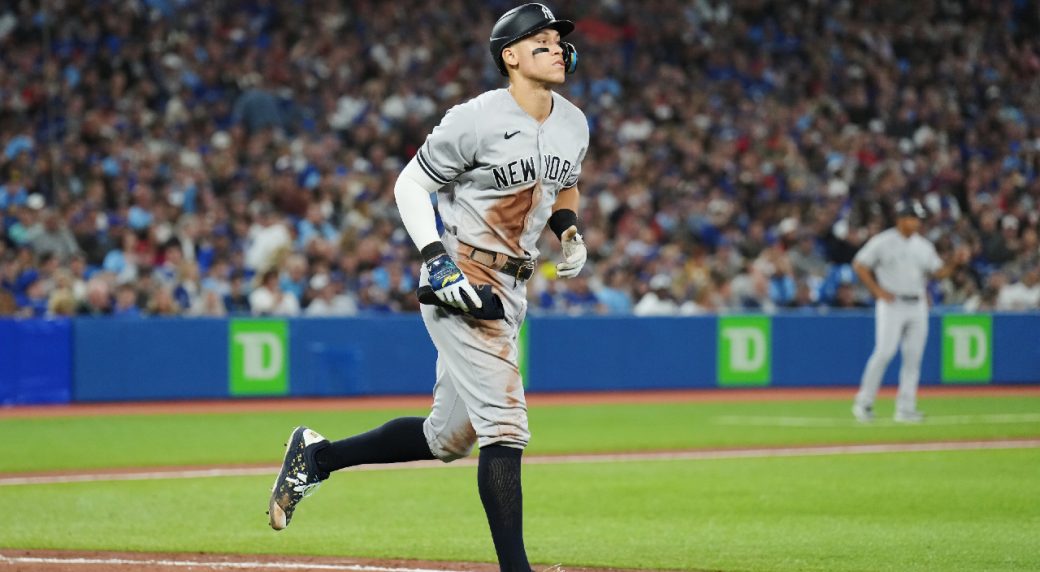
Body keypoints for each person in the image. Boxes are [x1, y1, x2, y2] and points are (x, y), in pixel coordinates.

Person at [267, 5, 588, 571]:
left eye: (558, 39)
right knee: (506, 425)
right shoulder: (475, 118)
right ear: (509, 55)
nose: (556, 47)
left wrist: (569, 232)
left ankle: (318, 458)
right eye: (540, 40)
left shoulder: (574, 123)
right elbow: (411, 183)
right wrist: (437, 260)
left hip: (513, 285)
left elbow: (564, 185)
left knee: (447, 439)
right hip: (464, 275)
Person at [851, 199, 968, 423]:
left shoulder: (923, 245)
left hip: (917, 304)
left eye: (917, 219)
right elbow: (860, 264)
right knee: (884, 352)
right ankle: (863, 402)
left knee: (913, 358)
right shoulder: (883, 241)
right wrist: (877, 291)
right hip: (892, 304)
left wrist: (954, 262)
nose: (916, 223)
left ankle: (906, 408)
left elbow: (938, 272)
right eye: (912, 218)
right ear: (901, 219)